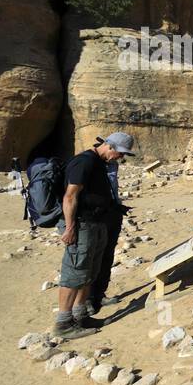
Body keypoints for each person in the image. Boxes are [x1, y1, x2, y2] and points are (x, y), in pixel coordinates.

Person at [53, 133, 135, 340]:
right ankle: (63, 323)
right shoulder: (84, 162)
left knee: (91, 270)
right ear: (109, 146)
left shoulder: (99, 163)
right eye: (119, 153)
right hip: (81, 225)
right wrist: (70, 228)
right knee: (75, 272)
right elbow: (70, 197)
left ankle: (81, 317)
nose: (119, 157)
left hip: (96, 223)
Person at [89, 151, 128, 315]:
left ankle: (99, 294)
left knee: (107, 255)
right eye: (120, 153)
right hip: (97, 215)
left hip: (113, 213)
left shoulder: (113, 165)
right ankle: (87, 298)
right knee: (93, 257)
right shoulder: (90, 164)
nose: (120, 157)